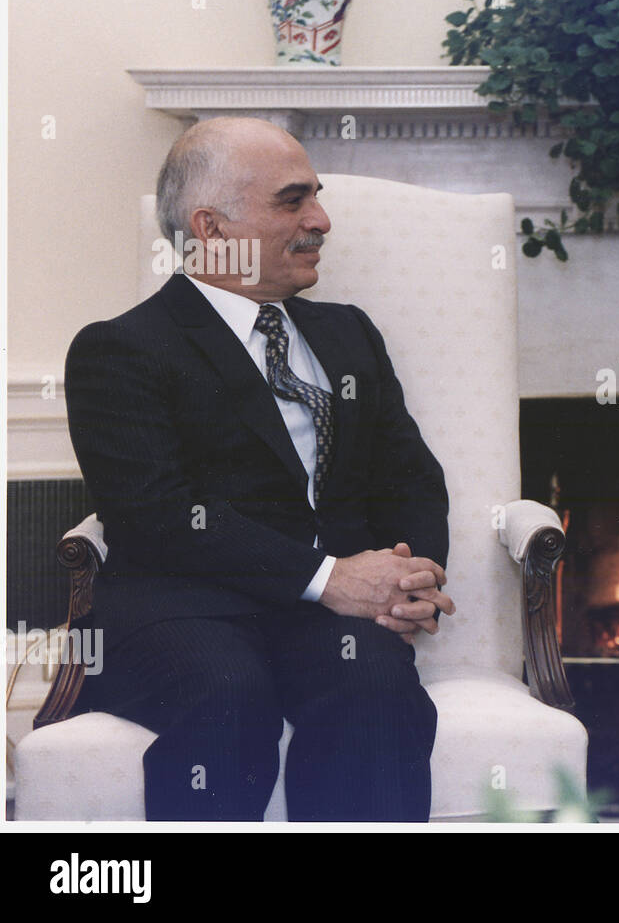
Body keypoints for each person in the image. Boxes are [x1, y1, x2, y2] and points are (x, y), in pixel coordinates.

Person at [65, 116, 453, 821]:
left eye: (316, 196)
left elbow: (409, 477)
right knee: (227, 692)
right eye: (292, 200)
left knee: (374, 686)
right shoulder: (119, 350)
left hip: (325, 617)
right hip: (184, 607)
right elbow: (157, 518)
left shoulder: (347, 333)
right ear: (211, 229)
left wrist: (409, 578)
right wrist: (330, 578)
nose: (321, 219)